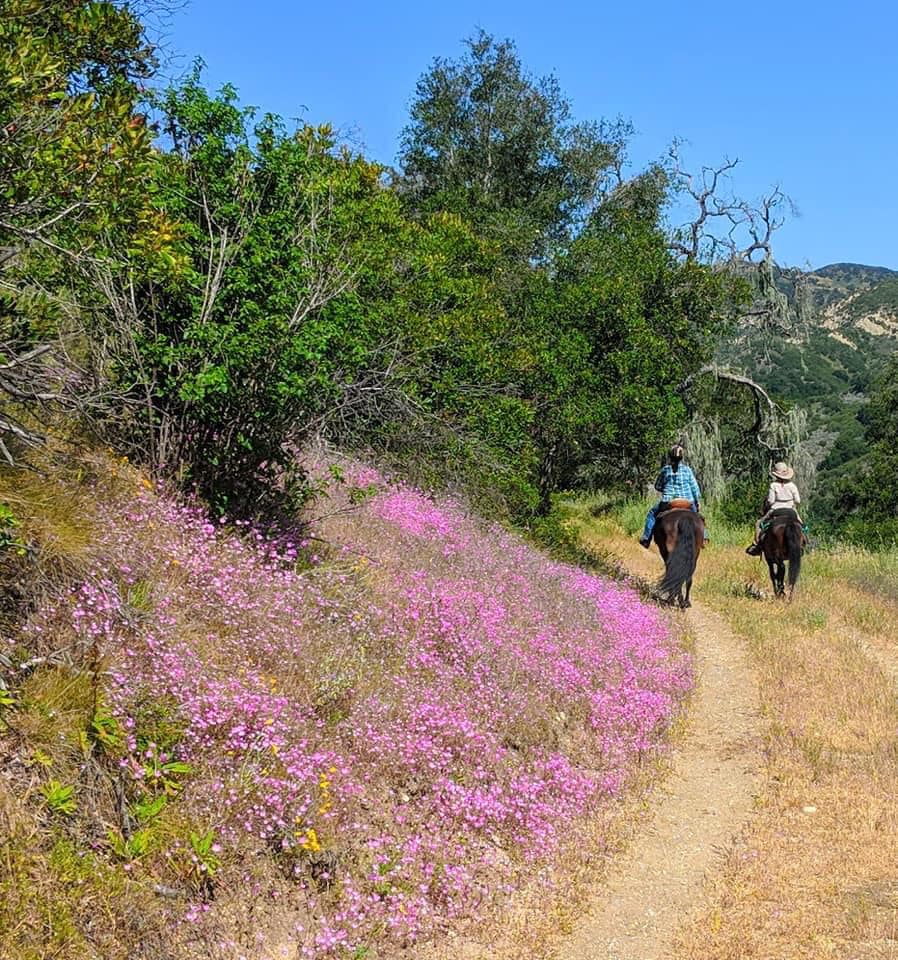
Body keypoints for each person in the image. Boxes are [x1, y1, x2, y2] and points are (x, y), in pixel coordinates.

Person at [639, 445, 703, 548]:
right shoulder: (687, 470)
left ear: (670, 457)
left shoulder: (665, 470)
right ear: (681, 458)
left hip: (668, 502)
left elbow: (657, 486)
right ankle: (704, 537)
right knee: (697, 516)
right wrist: (697, 501)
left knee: (652, 514)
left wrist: (665, 488)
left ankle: (646, 539)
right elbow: (695, 488)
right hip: (687, 501)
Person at [745, 461, 803, 556]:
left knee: (759, 523)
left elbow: (771, 501)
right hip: (791, 510)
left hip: (776, 510)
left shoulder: (773, 485)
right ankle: (802, 544)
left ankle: (756, 545)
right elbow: (798, 500)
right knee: (802, 525)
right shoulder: (792, 486)